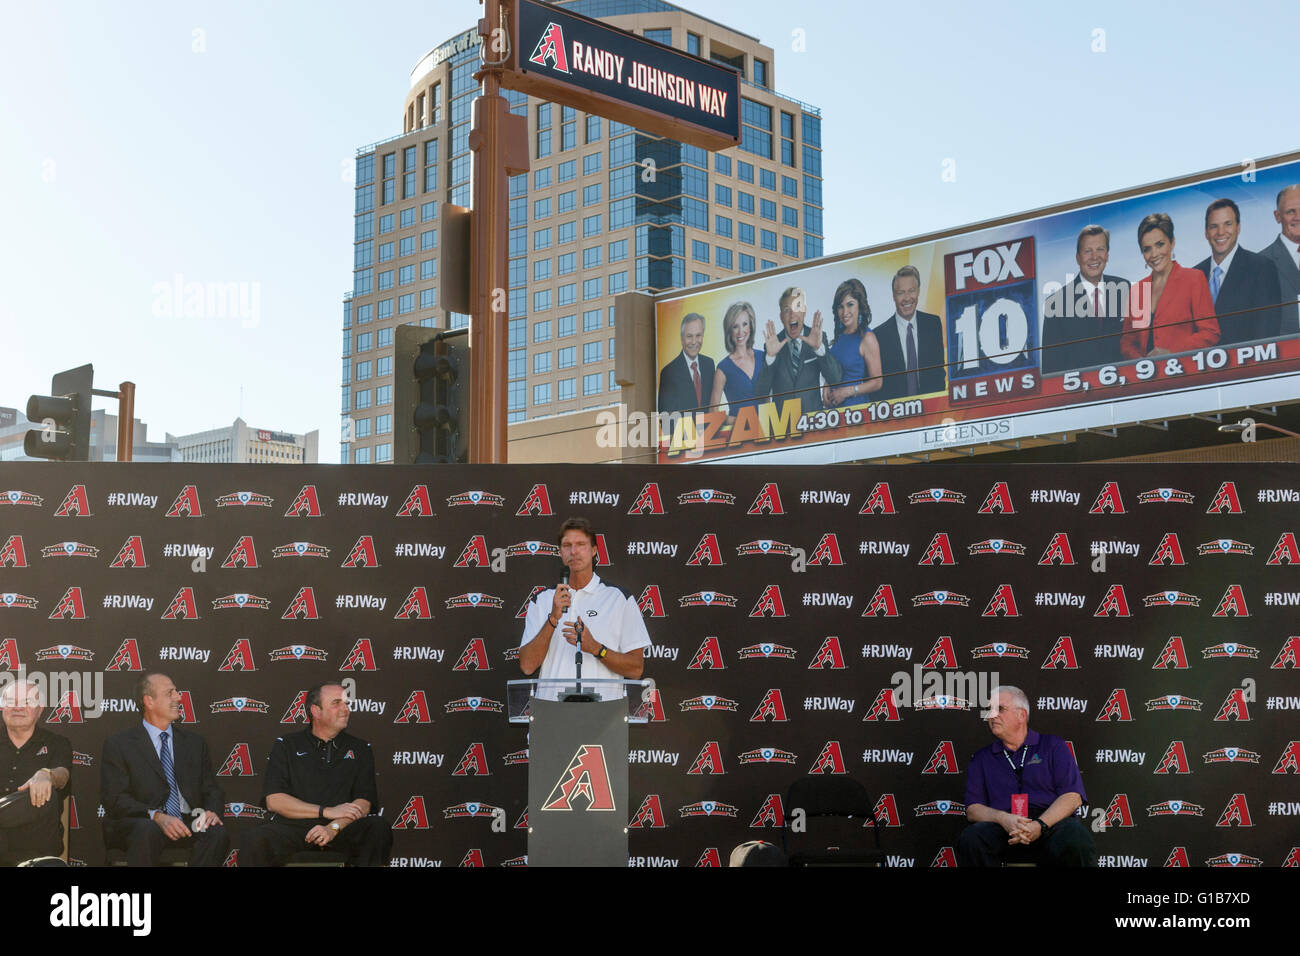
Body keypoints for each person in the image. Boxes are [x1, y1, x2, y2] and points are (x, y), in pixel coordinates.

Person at [240, 682, 391, 866]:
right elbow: (274, 800)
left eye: (347, 703)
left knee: (378, 827)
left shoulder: (360, 748)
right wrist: (326, 811)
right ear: (316, 711)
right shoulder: (287, 745)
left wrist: (333, 827)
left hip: (341, 829)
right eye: (336, 703)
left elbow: (364, 803)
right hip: (294, 829)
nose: (346, 709)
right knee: (256, 839)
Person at [958, 686, 1096, 867]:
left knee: (1075, 835)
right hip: (1004, 827)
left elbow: (1072, 796)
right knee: (971, 838)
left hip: (1049, 825)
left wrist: (1039, 825)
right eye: (989, 710)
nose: (991, 716)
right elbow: (973, 809)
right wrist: (1003, 819)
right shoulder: (982, 758)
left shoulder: (1053, 746)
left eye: (999, 709)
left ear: (1021, 715)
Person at [101, 672, 229, 866]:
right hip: (142, 822)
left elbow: (211, 789)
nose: (178, 697)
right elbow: (115, 799)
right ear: (149, 701)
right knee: (147, 830)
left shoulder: (194, 743)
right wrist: (157, 816)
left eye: (176, 692)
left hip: (187, 822)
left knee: (216, 833)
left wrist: (211, 811)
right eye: (171, 693)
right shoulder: (120, 744)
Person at [519, 517, 652, 699]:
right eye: (567, 545)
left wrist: (597, 649)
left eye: (581, 544)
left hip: (603, 717)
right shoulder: (541, 600)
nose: (573, 551)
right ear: (560, 552)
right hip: (551, 715)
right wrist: (553, 618)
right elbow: (527, 666)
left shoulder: (619, 599)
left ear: (594, 551)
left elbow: (636, 669)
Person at [1121, 213, 1219, 358]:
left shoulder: (1193, 279)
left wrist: (1171, 352)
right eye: (1147, 249)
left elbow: (1210, 333)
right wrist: (1142, 362)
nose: (1154, 254)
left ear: (1172, 243)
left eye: (1160, 245)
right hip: (1147, 376)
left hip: (1183, 372)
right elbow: (1128, 342)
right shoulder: (1138, 290)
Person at [0, 681, 71, 865]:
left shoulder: (57, 744)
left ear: (40, 710)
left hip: (35, 852)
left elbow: (63, 775)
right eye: (11, 701)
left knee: (47, 793)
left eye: (27, 702)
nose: (18, 707)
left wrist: (47, 774)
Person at [1041, 225, 1129, 372]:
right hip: (1080, 391)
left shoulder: (1125, 288)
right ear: (1078, 257)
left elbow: (1138, 343)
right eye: (1088, 251)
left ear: (1107, 254)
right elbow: (1051, 368)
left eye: (1100, 249)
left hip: (1124, 388)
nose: (1094, 257)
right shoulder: (1056, 304)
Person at [1195, 198, 1283, 346]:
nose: (1221, 232)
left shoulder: (1261, 268)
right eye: (1214, 226)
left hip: (1245, 365)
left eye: (1227, 224)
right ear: (1206, 233)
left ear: (1238, 227)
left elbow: (1267, 331)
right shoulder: (1194, 274)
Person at [753, 286, 844, 413]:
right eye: (786, 310)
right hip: (783, 425)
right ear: (781, 317)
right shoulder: (772, 344)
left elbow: (835, 379)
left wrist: (819, 349)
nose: (792, 315)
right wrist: (770, 358)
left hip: (812, 421)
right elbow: (760, 394)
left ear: (804, 311)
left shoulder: (818, 337)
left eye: (797, 307)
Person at [874, 265, 946, 399]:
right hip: (895, 413)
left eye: (911, 291)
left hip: (930, 410)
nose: (907, 298)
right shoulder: (879, 335)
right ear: (894, 296)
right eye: (901, 292)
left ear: (918, 291)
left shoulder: (933, 324)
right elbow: (878, 387)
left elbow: (938, 373)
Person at [822, 277, 883, 406]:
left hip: (856, 413)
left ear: (860, 306)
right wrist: (827, 385)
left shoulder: (868, 338)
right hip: (834, 414)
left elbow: (877, 382)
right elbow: (838, 370)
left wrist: (847, 392)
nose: (845, 312)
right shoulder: (839, 336)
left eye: (850, 305)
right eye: (840, 307)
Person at [708, 301, 761, 422]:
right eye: (735, 326)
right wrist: (739, 422)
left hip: (769, 433)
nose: (740, 331)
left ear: (751, 326)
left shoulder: (763, 357)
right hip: (740, 435)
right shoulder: (723, 368)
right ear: (729, 330)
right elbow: (712, 412)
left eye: (745, 324)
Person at [1260, 184, 1300, 335]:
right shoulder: (1259, 264)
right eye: (1291, 211)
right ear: (1277, 216)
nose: (1298, 217)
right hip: (1285, 354)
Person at [657, 312, 715, 416]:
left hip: (710, 431)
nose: (694, 341)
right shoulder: (668, 373)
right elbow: (665, 418)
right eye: (689, 336)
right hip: (684, 431)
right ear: (682, 338)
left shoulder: (709, 364)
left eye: (698, 335)